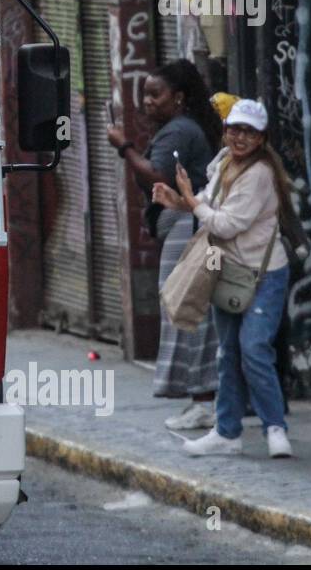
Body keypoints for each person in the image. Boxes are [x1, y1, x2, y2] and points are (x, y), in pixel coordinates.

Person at [152, 99, 294, 458]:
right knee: (227, 353)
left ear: (262, 138)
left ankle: (275, 427)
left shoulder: (260, 174)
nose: (240, 137)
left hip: (263, 275)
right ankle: (226, 432)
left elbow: (228, 224)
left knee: (254, 349)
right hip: (227, 271)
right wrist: (178, 200)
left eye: (249, 132)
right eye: (234, 129)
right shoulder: (224, 162)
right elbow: (207, 203)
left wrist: (189, 200)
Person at [108, 60, 222, 429]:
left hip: (185, 227)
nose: (147, 102)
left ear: (179, 98)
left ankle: (203, 398)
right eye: (145, 94)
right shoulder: (182, 128)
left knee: (184, 307)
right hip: (182, 226)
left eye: (156, 94)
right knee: (185, 308)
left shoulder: (178, 132)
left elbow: (157, 175)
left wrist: (123, 147)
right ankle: (201, 396)